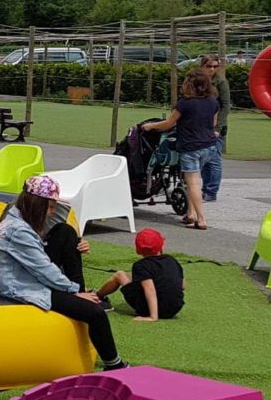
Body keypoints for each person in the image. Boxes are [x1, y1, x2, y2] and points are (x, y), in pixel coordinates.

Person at [0, 175, 127, 370]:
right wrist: (73, 292)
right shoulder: (18, 230)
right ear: (37, 206)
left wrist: (76, 245)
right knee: (95, 313)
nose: (51, 213)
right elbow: (43, 269)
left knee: (66, 232)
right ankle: (114, 365)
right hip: (23, 287)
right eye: (50, 207)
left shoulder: (19, 219)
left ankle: (83, 293)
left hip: (29, 276)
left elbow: (43, 251)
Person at [143, 69, 218, 230]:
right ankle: (190, 213)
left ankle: (201, 218)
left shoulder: (184, 103)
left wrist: (151, 126)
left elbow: (168, 123)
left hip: (190, 147)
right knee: (192, 181)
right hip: (209, 146)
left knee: (193, 183)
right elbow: (212, 124)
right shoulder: (213, 102)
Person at [96, 228, 185, 321]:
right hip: (175, 308)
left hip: (151, 310)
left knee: (120, 275)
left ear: (138, 249)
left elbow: (150, 290)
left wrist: (153, 317)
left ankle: (97, 295)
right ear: (161, 245)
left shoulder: (140, 266)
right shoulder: (172, 260)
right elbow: (182, 285)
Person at [200, 54, 229, 202]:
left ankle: (211, 191)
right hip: (200, 126)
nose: (212, 69)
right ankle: (205, 189)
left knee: (214, 159)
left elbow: (225, 106)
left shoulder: (221, 82)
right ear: (202, 66)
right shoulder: (198, 80)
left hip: (215, 127)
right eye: (209, 66)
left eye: (215, 66)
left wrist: (218, 127)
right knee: (204, 159)